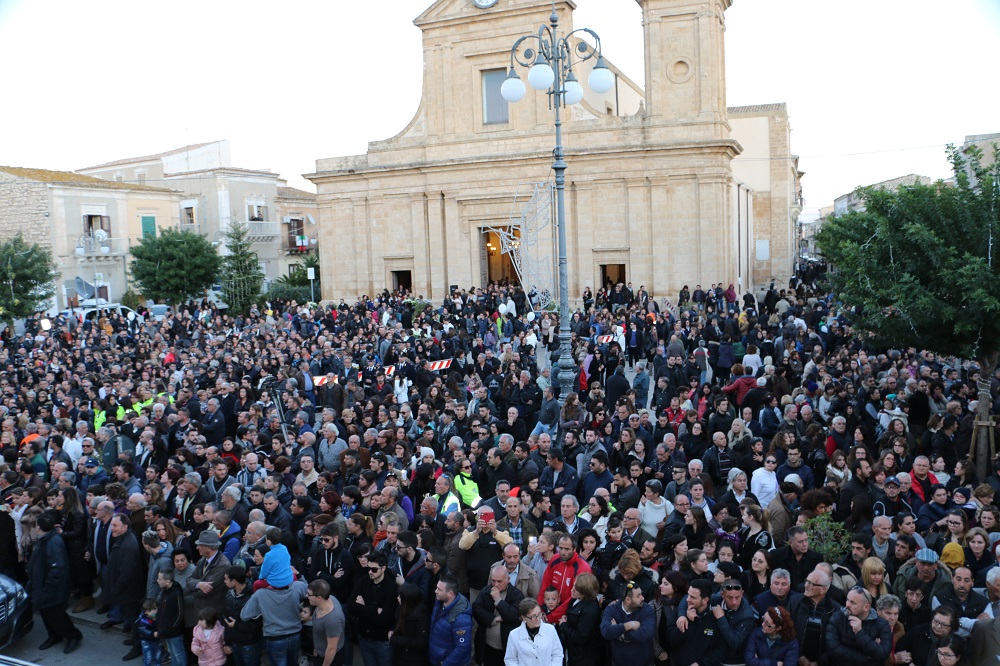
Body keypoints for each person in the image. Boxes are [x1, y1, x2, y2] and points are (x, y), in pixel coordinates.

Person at [28, 511, 83, 654]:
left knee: (56, 614)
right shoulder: (44, 538)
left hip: (52, 589)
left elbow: (57, 569)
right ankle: (54, 635)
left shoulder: (53, 542)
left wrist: (47, 589)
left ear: (39, 527)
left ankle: (73, 636)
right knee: (46, 613)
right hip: (42, 586)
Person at [240, 565, 310, 666]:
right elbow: (309, 589)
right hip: (295, 635)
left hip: (275, 638)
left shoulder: (260, 594)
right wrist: (298, 574)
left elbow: (244, 615)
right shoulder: (297, 587)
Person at [472, 564, 526, 666]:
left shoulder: (516, 595)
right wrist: (494, 619)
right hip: (487, 647)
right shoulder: (486, 591)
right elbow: (476, 609)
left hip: (507, 648)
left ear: (508, 579)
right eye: (493, 581)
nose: (495, 584)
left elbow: (513, 616)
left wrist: (498, 600)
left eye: (499, 581)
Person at [825, 586, 891, 665]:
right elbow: (833, 648)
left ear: (866, 607)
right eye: (847, 600)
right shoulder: (837, 617)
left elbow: (883, 655)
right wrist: (866, 658)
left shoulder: (882, 625)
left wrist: (860, 632)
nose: (847, 605)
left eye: (853, 603)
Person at [537, 533, 592, 622]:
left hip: (569, 615)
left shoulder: (583, 568)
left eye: (567, 549)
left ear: (574, 549)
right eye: (560, 548)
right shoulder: (554, 559)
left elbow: (573, 598)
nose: (562, 552)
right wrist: (541, 611)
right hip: (549, 611)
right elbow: (544, 587)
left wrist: (551, 617)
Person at [556, 573, 604, 666]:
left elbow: (581, 637)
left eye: (576, 589)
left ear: (585, 592)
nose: (572, 590)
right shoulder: (575, 599)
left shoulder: (590, 610)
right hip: (574, 652)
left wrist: (564, 625)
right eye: (574, 585)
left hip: (583, 657)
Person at [428, 576, 474, 666]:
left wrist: (445, 663)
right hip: (436, 657)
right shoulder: (440, 601)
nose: (435, 591)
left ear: (450, 593)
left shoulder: (461, 619)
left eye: (439, 589)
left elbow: (463, 648)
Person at [505, 598, 564, 666]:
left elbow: (557, 654)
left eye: (539, 614)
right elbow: (510, 659)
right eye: (533, 616)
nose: (538, 618)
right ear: (524, 617)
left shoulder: (550, 630)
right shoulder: (514, 635)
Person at [389, 582, 430, 666]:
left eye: (400, 596)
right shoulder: (401, 607)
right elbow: (397, 623)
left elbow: (420, 642)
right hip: (400, 654)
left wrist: (395, 640)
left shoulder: (421, 615)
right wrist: (392, 630)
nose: (397, 598)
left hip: (413, 659)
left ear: (407, 599)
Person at [307, 579, 347, 666]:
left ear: (319, 598)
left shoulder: (333, 620)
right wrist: (317, 648)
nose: (307, 596)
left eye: (309, 594)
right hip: (320, 653)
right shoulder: (330, 598)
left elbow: (332, 648)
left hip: (330, 659)